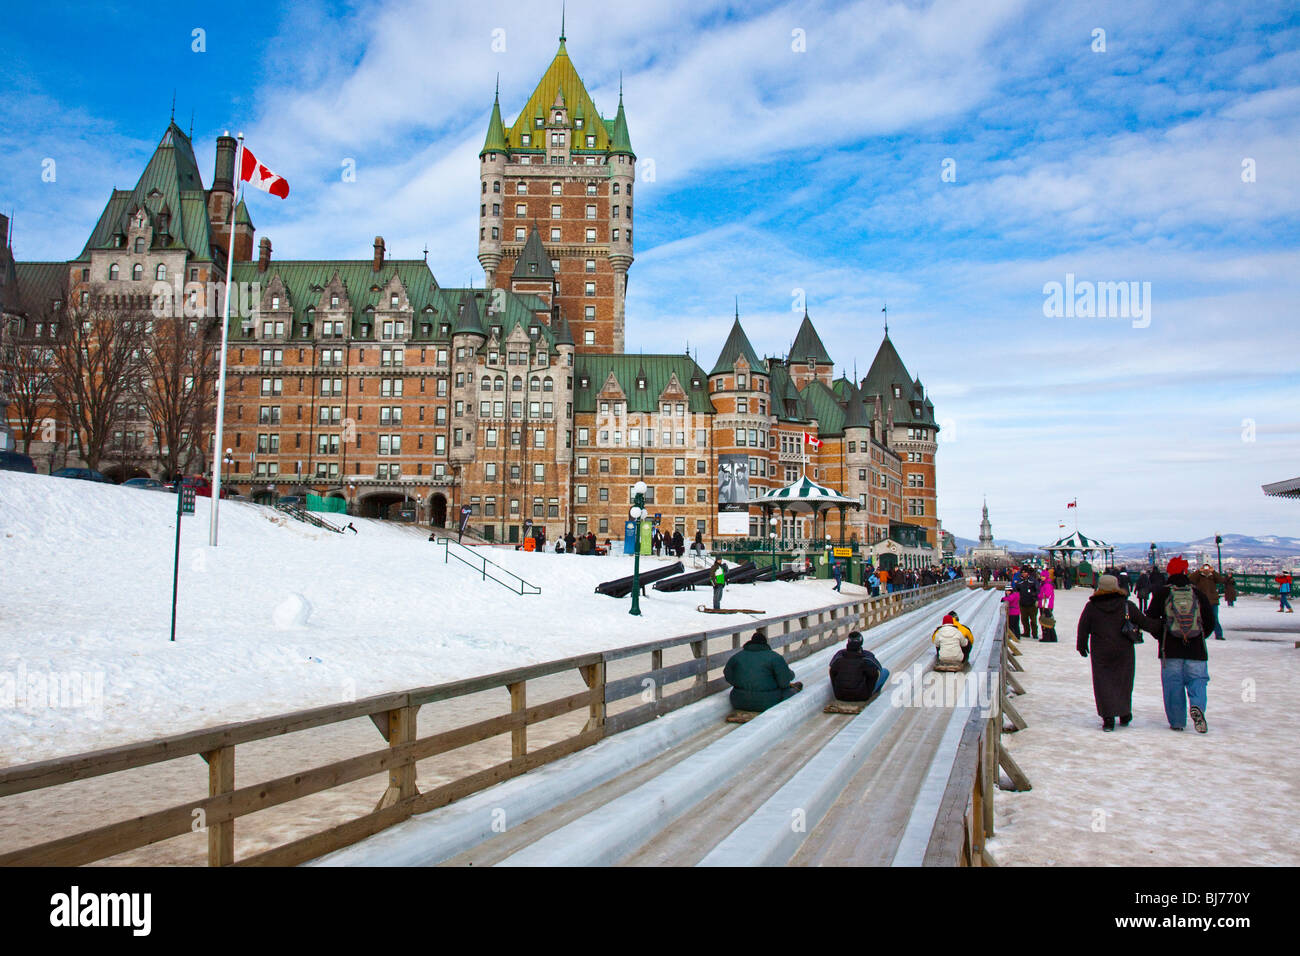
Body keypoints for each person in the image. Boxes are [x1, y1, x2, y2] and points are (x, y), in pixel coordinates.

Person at [1143, 556, 1215, 733]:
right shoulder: (1197, 593)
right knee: (1198, 681)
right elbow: (1210, 621)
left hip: (1170, 649)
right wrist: (1198, 636)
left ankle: (1177, 722)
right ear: (1185, 571)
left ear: (1169, 572)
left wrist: (1162, 636)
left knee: (1173, 685)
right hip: (1196, 649)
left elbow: (1150, 620)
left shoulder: (1162, 593)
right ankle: (1197, 706)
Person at [1076, 574, 1149, 732]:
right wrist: (1164, 628)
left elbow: (1083, 627)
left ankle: (1108, 717)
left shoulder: (1092, 606)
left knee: (1103, 682)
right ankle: (1124, 712)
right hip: (1124, 649)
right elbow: (1144, 622)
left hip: (1101, 650)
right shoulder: (1126, 605)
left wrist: (1081, 645)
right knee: (1123, 681)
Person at [723, 630, 802, 712]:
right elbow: (784, 682)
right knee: (788, 691)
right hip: (768, 701)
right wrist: (790, 676)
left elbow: (728, 674)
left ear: (750, 642)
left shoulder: (737, 657)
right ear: (765, 643)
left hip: (738, 701)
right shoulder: (775, 657)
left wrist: (741, 684)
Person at [829, 632, 890, 701]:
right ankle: (875, 697)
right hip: (861, 696)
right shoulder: (866, 657)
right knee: (885, 672)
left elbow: (831, 669)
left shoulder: (839, 655)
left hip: (839, 695)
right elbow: (878, 671)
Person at [1190, 563, 1225, 640]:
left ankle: (1219, 634)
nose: (1206, 569)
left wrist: (1213, 572)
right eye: (1204, 568)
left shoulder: (1213, 576)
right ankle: (1201, 634)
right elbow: (1190, 579)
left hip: (1213, 601)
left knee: (1214, 618)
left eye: (1207, 568)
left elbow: (1221, 580)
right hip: (1202, 600)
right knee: (1201, 618)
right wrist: (1198, 571)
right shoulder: (1198, 576)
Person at [1017, 572, 1040, 639]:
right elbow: (1016, 589)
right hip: (1023, 603)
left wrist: (1034, 595)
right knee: (1024, 619)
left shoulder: (1032, 581)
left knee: (1033, 620)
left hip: (1032, 603)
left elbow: (1038, 590)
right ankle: (1026, 632)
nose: (1024, 574)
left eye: (1025, 572)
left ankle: (1035, 633)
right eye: (1023, 572)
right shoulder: (1020, 581)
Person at [1038, 572, 1058, 642]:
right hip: (1046, 605)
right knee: (1048, 621)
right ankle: (1052, 637)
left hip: (1046, 605)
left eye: (1043, 576)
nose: (1042, 577)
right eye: (1041, 576)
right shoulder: (1045, 583)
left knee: (1045, 622)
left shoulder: (1047, 585)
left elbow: (1047, 595)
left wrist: (1039, 595)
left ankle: (1047, 637)